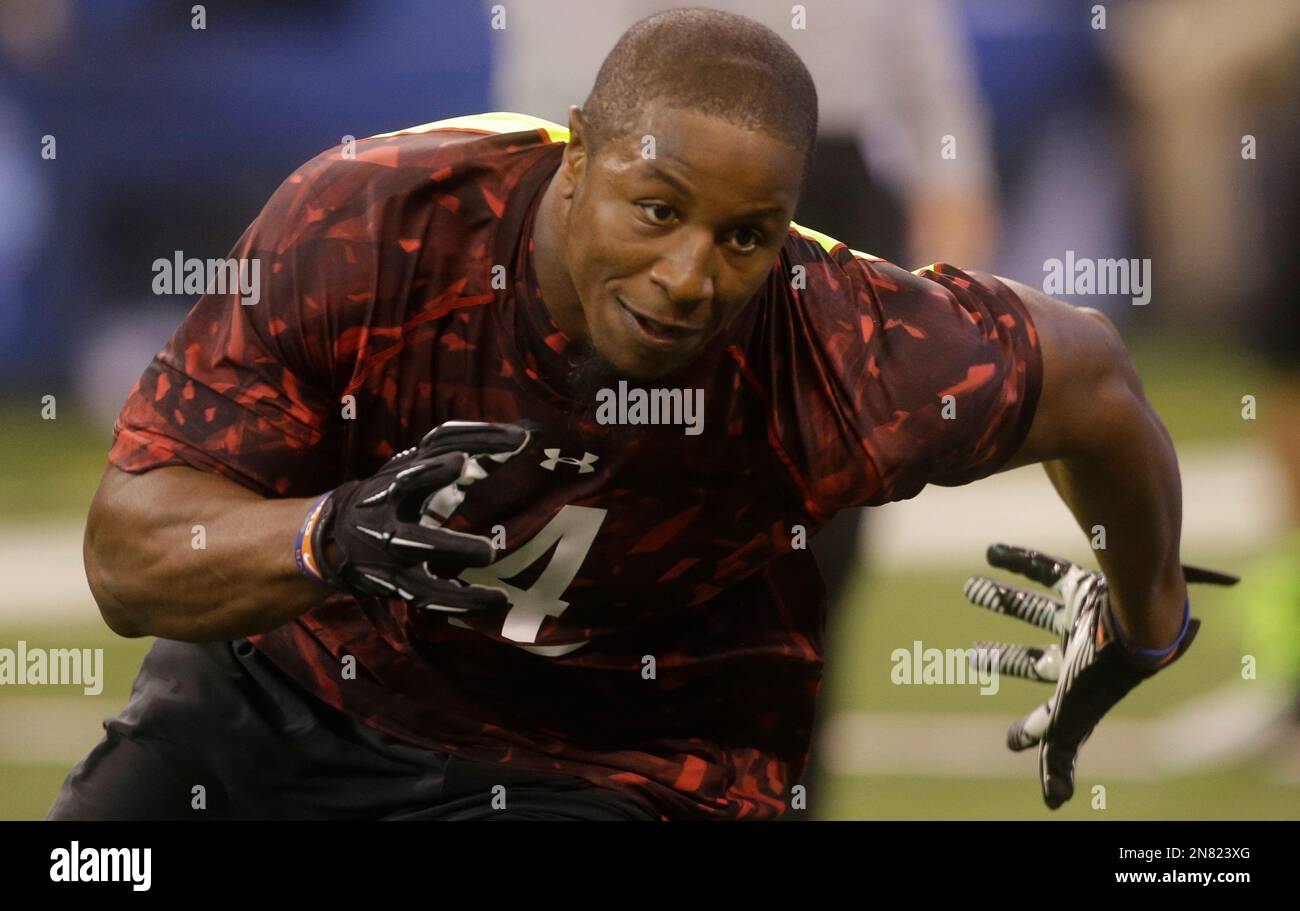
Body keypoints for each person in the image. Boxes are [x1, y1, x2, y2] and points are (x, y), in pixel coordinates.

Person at [54, 9, 1200, 820]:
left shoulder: (838, 338)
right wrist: (328, 535)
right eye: (654, 209)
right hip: (288, 704)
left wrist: (1145, 622)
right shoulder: (372, 224)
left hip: (612, 761)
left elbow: (1091, 382)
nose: (689, 274)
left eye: (744, 235)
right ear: (575, 157)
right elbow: (129, 552)